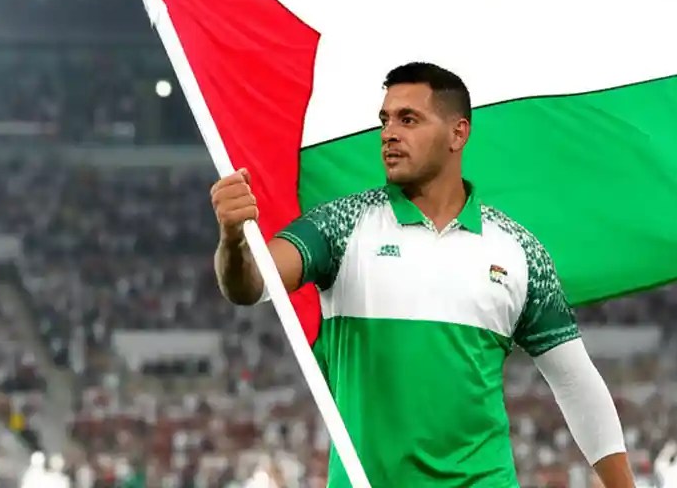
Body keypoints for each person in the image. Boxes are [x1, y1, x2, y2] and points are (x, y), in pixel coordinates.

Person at [212, 62, 634, 487]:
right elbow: (251, 283)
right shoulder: (342, 225)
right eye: (385, 120)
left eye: (408, 119)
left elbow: (576, 382)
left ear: (458, 133)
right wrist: (234, 241)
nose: (389, 133)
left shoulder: (519, 251)